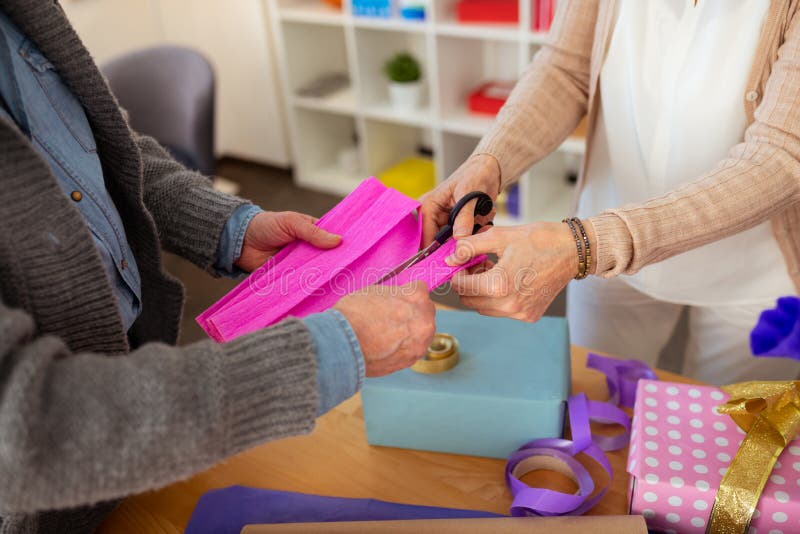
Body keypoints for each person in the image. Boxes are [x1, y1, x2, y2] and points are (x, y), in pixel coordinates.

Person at [0, 2, 435, 532]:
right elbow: (29, 430)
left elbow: (103, 152)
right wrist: (332, 352)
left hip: (153, 434)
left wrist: (230, 228)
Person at [421, 0, 800, 385]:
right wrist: (491, 161)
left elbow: (782, 153)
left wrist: (587, 245)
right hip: (603, 241)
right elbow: (566, 69)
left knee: (732, 417)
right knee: (596, 398)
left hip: (753, 273)